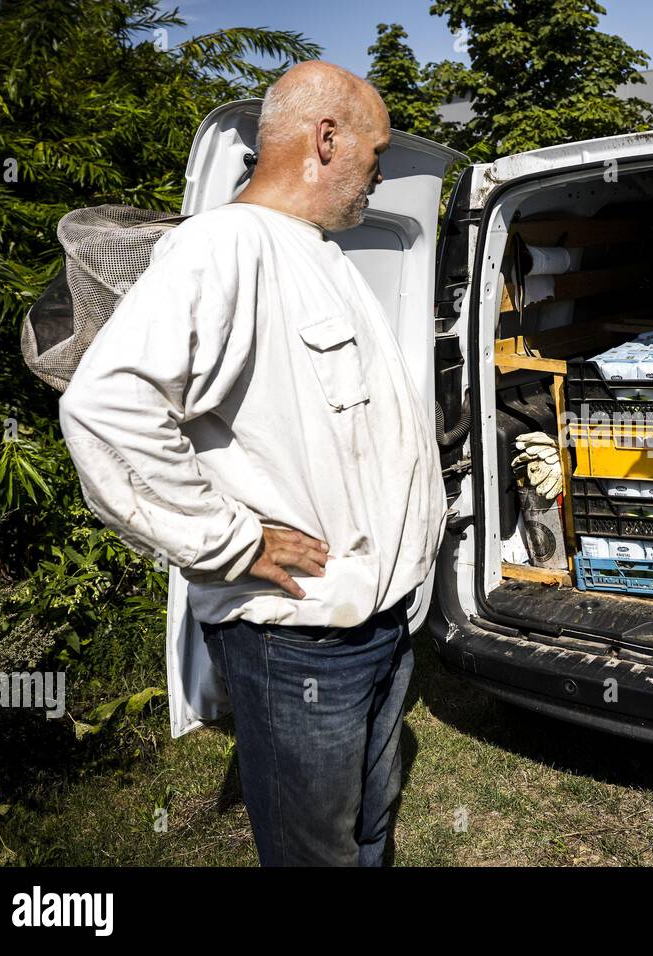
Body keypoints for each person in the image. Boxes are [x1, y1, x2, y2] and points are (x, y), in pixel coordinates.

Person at [58, 60, 447, 866]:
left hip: (377, 623)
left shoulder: (315, 250)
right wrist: (234, 542)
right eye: (374, 155)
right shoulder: (225, 248)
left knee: (367, 831)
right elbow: (106, 408)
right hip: (301, 641)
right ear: (326, 138)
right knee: (315, 855)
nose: (377, 175)